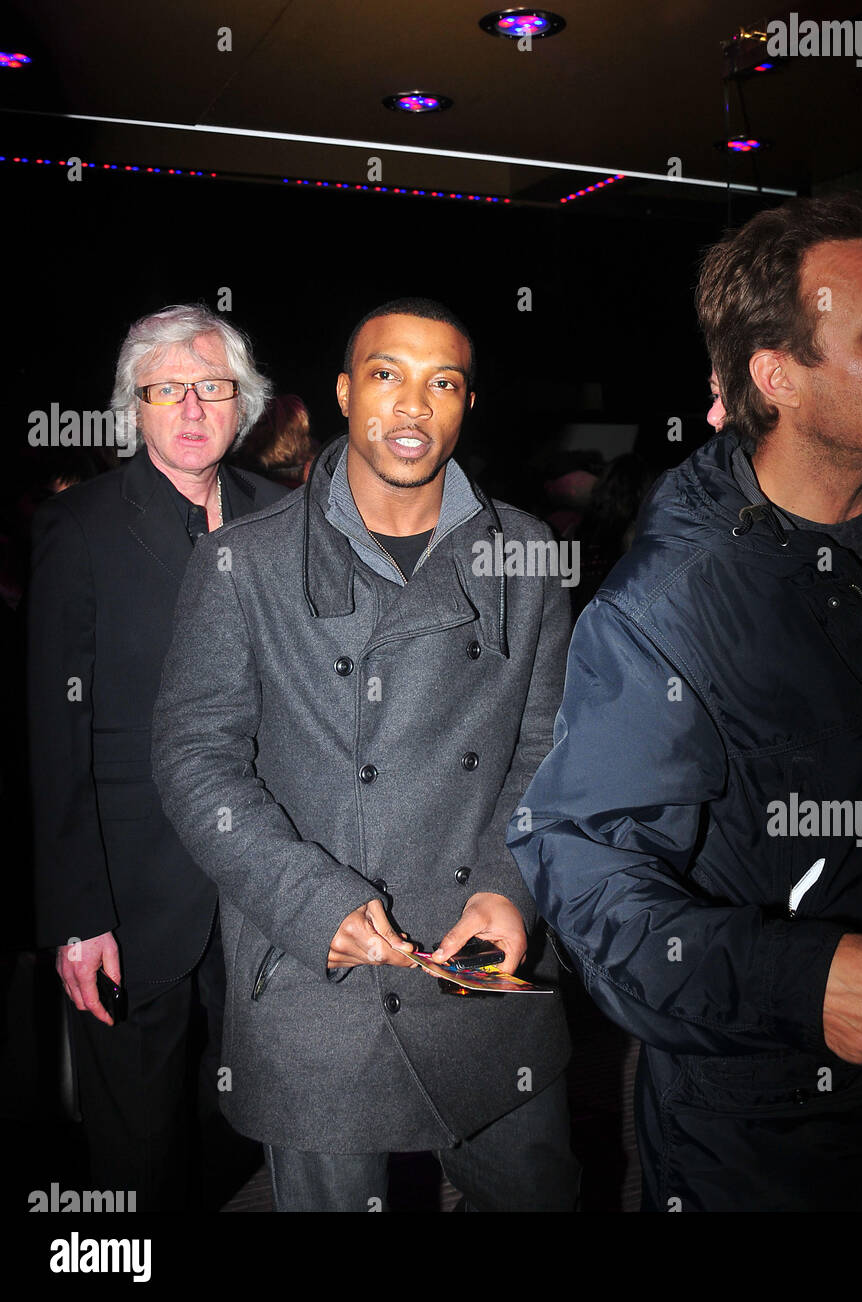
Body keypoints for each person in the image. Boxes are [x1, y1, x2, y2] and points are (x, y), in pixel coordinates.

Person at [509, 194, 862, 1212]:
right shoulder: (665, 608)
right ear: (777, 377)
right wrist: (792, 981)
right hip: (785, 1150)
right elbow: (591, 889)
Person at [152, 297, 577, 1212]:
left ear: (468, 405)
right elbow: (195, 759)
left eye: (444, 382)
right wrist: (310, 901)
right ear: (346, 393)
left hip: (479, 969)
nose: (413, 405)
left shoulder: (528, 556)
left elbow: (547, 746)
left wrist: (511, 884)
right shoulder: (245, 563)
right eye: (387, 374)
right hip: (318, 977)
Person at [27, 304, 286, 1210]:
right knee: (134, 1149)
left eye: (211, 386)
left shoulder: (281, 517)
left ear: (242, 402)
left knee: (239, 1122)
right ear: (132, 407)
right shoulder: (81, 530)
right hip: (129, 903)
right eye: (165, 389)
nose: (190, 407)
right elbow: (53, 742)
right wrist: (77, 914)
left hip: (259, 884)